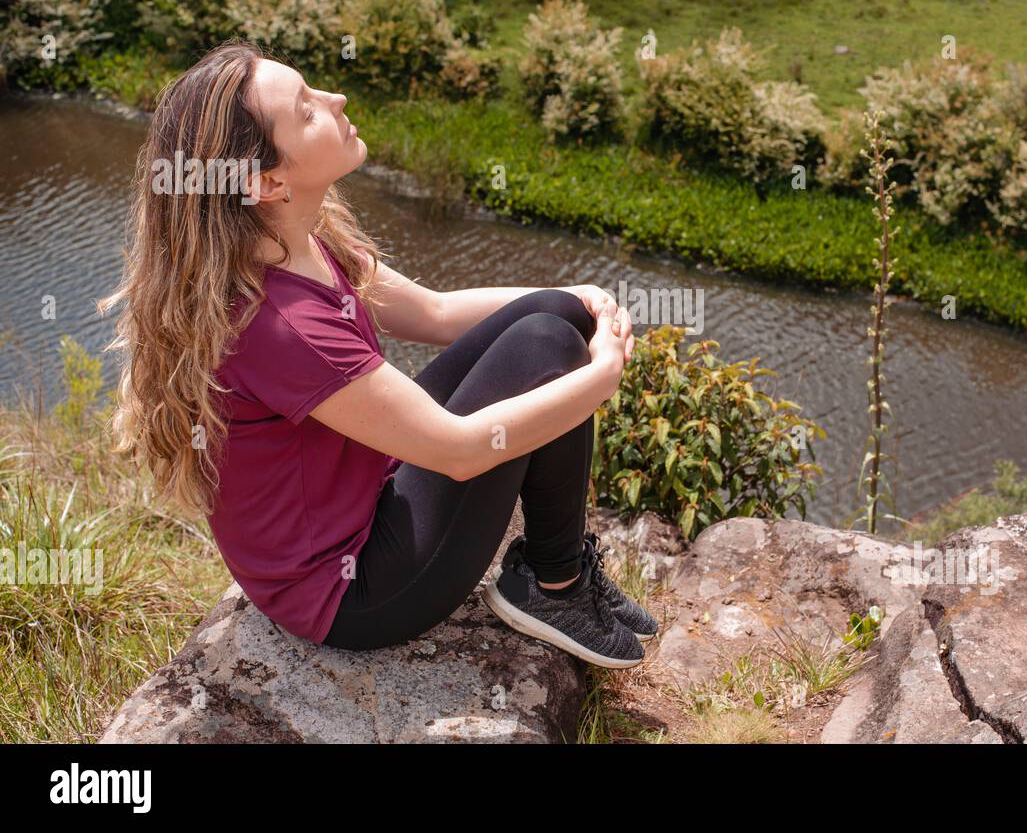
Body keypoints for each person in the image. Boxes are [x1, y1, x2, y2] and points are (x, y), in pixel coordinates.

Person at [96, 39, 657, 668]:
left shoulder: (298, 239)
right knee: (550, 345)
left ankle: (561, 570)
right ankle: (556, 588)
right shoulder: (280, 324)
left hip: (371, 496)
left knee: (554, 316)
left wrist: (571, 294)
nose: (335, 100)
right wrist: (603, 373)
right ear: (268, 181)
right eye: (307, 111)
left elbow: (433, 313)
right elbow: (461, 449)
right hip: (355, 592)